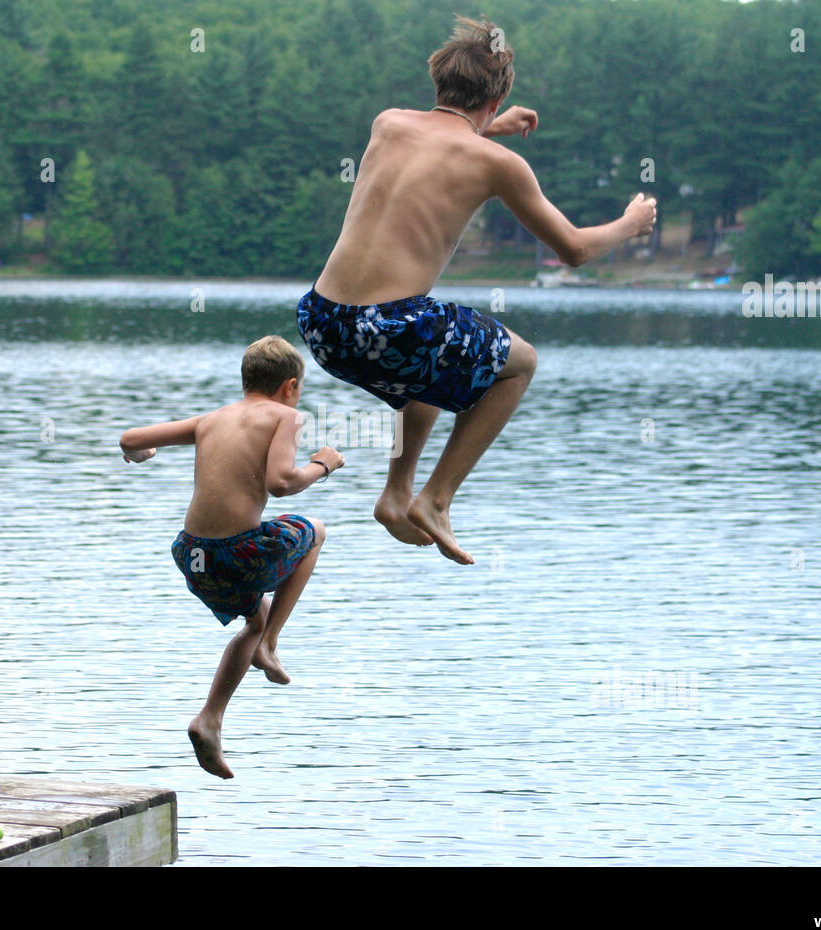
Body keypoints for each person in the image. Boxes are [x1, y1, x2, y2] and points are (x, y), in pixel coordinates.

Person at [297, 13, 657, 565]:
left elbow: (440, 143)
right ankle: (434, 499)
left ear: (440, 82)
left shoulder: (387, 123)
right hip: (388, 327)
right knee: (519, 362)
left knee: (434, 361)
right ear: (496, 97)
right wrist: (630, 225)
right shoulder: (497, 164)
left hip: (321, 322)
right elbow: (574, 250)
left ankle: (397, 494)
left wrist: (489, 124)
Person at [119, 335, 344, 778]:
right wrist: (324, 465)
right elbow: (281, 482)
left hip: (192, 553)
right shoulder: (287, 416)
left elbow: (129, 437)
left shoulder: (212, 419)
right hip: (236, 552)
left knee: (254, 615)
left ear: (246, 380)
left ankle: (210, 717)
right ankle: (271, 644)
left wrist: (141, 452)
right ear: (290, 385)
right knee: (316, 531)